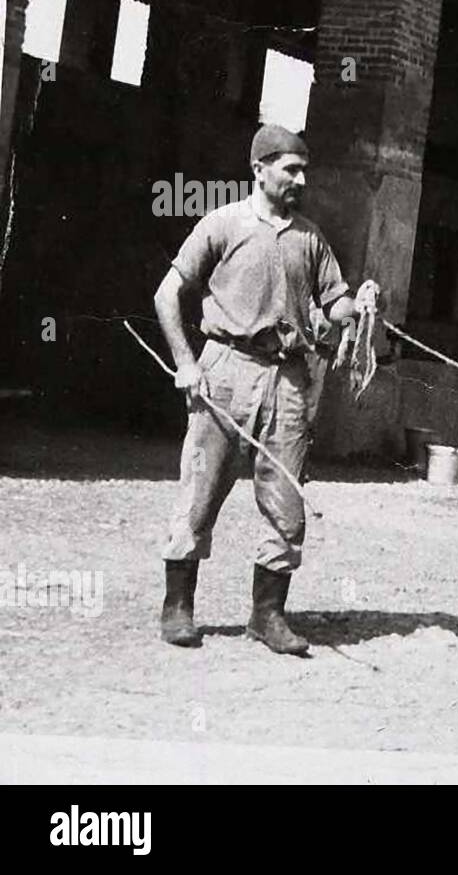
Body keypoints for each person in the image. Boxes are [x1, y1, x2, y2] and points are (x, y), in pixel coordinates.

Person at [152, 124, 376, 655]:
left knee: (286, 504)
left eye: (304, 171)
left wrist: (359, 304)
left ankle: (268, 615)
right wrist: (186, 364)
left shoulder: (311, 239)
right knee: (199, 493)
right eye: (290, 169)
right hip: (224, 372)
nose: (300, 179)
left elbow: (334, 305)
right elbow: (167, 294)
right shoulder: (222, 224)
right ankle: (178, 607)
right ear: (259, 169)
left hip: (290, 382)